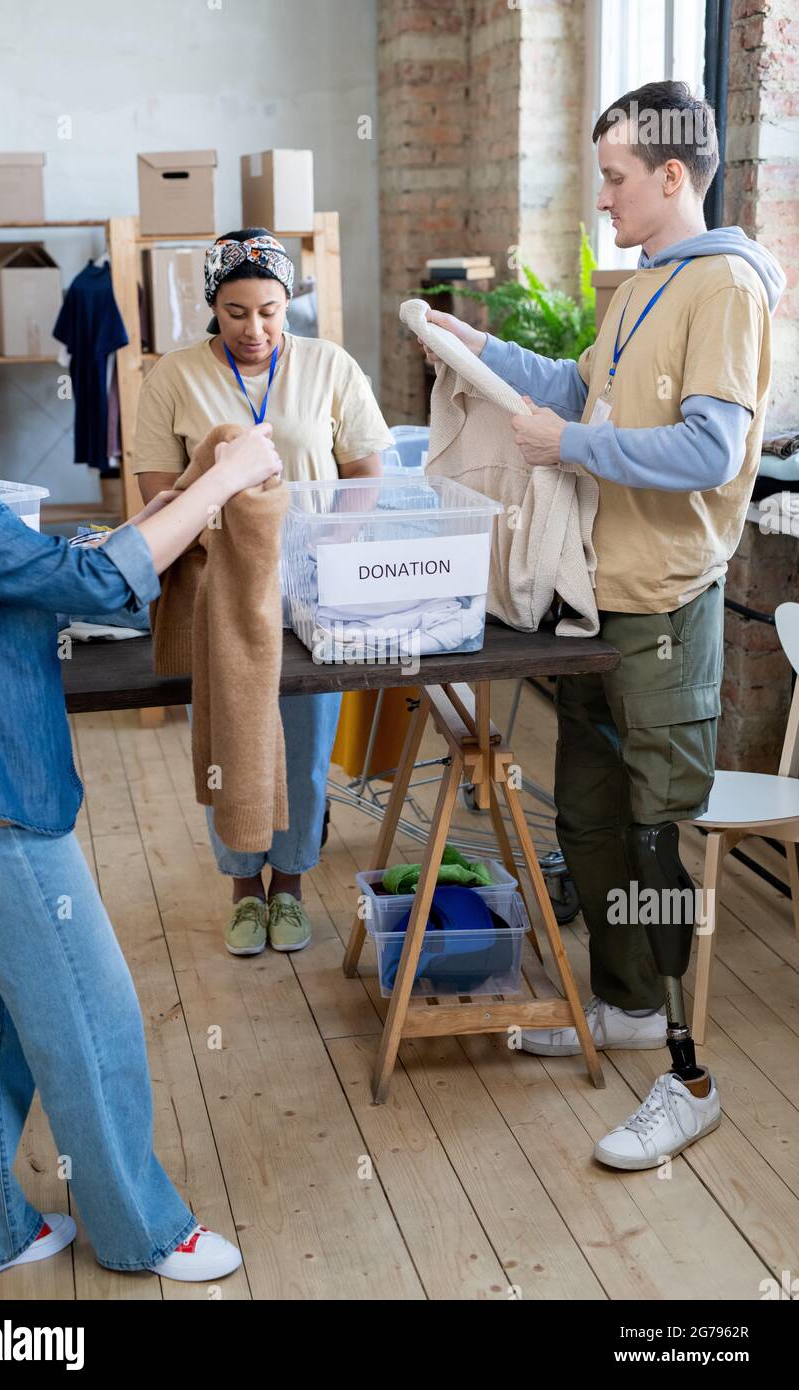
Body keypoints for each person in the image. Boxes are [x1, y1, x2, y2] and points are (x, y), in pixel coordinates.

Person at [420, 81, 785, 1169]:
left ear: (673, 177)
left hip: (662, 606)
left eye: (615, 179)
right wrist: (469, 348)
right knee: (581, 808)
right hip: (590, 600)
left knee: (646, 832)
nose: (602, 200)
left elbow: (711, 452)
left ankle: (687, 1073)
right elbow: (571, 398)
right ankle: (625, 1004)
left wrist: (565, 447)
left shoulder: (721, 286)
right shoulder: (639, 286)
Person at [0, 270, 284, 1289]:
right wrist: (217, 487)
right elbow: (84, 584)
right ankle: (140, 1230)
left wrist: (167, 504)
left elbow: (31, 567)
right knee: (90, 1015)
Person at [133, 228, 393, 957]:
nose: (255, 329)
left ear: (290, 305)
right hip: (217, 591)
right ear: (213, 306)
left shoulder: (329, 366)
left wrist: (330, 550)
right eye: (237, 311)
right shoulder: (172, 378)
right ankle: (243, 889)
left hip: (311, 592)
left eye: (271, 311)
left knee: (306, 746)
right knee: (232, 738)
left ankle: (291, 886)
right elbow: (160, 497)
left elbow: (368, 474)